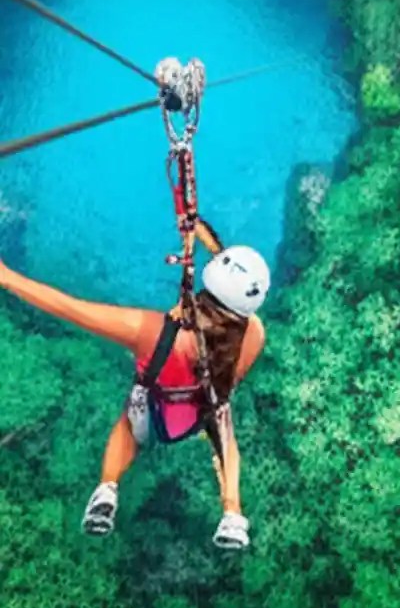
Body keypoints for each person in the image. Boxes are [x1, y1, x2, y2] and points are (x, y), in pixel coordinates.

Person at [0, 220, 269, 549]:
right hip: (200, 415)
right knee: (223, 428)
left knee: (128, 426)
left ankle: (108, 488)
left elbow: (69, 308)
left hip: (153, 413)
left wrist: (7, 277)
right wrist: (203, 234)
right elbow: (232, 303)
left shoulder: (152, 331)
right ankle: (232, 511)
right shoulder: (254, 333)